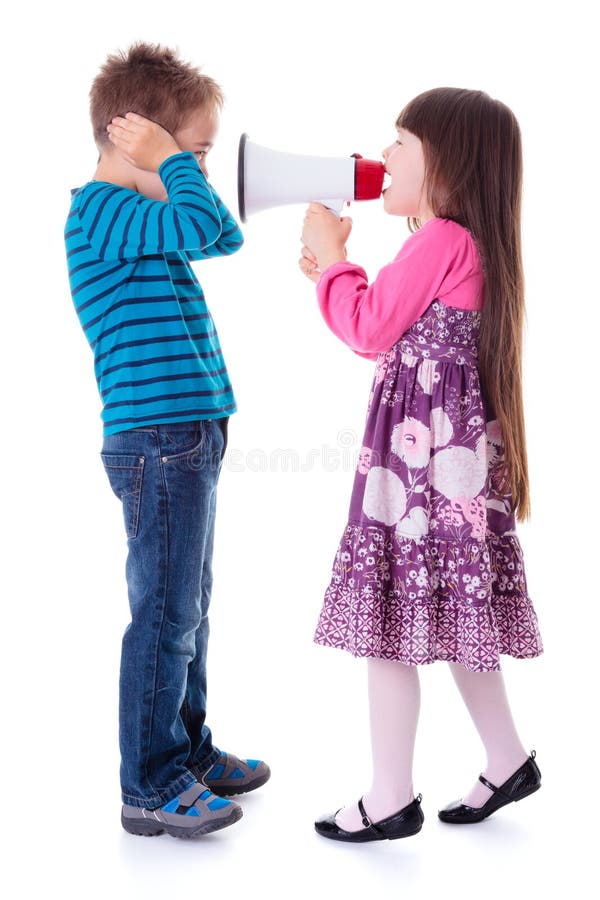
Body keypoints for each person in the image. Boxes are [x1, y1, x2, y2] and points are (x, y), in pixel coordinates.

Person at [299, 87, 543, 843]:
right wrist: (333, 277)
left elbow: (372, 329)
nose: (387, 155)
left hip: (418, 484)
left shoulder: (441, 239)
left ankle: (389, 797)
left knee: (387, 622)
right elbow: (390, 328)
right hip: (443, 476)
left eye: (401, 141)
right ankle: (508, 759)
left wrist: (339, 262)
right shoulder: (462, 243)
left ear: (449, 163)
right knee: (457, 614)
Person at [64, 42, 270, 839]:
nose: (203, 170)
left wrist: (172, 161)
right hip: (156, 438)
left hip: (184, 434)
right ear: (134, 138)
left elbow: (221, 235)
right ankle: (148, 783)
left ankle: (186, 750)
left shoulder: (145, 220)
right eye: (195, 151)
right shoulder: (103, 212)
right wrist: (165, 161)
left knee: (190, 608)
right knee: (164, 613)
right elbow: (206, 222)